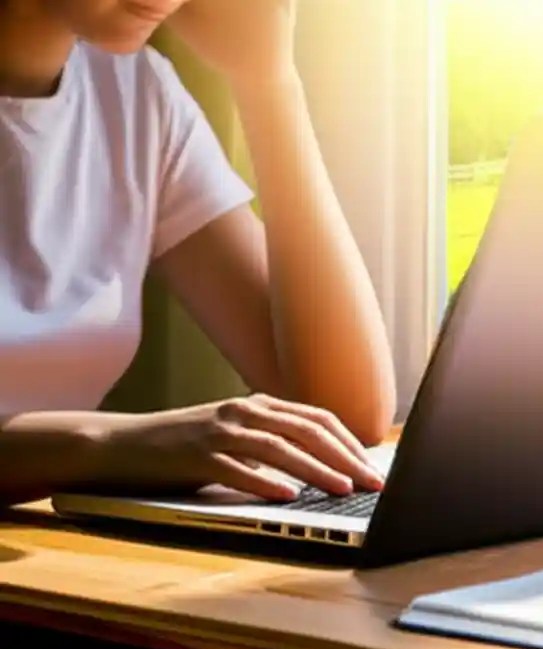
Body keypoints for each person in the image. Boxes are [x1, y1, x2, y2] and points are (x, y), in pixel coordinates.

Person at [0, 0, 397, 507]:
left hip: (53, 562)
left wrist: (267, 80)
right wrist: (107, 445)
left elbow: (342, 415)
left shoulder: (133, 94)